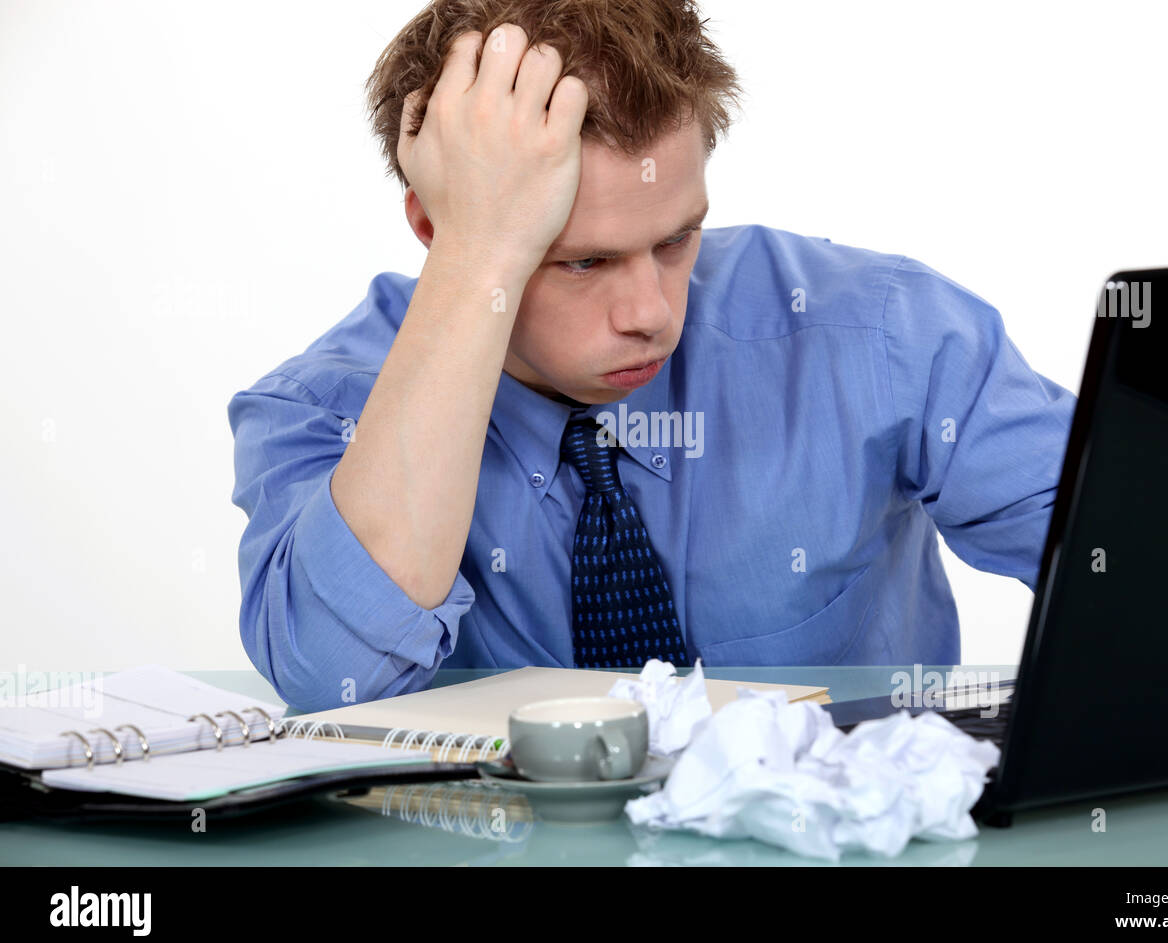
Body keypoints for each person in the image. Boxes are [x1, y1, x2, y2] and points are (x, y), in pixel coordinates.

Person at [228, 0, 1076, 713]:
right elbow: (335, 681)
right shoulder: (322, 408)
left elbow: (1150, 568)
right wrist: (477, 260)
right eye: (582, 261)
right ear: (435, 227)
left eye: (676, 240)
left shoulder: (880, 335)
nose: (651, 314)